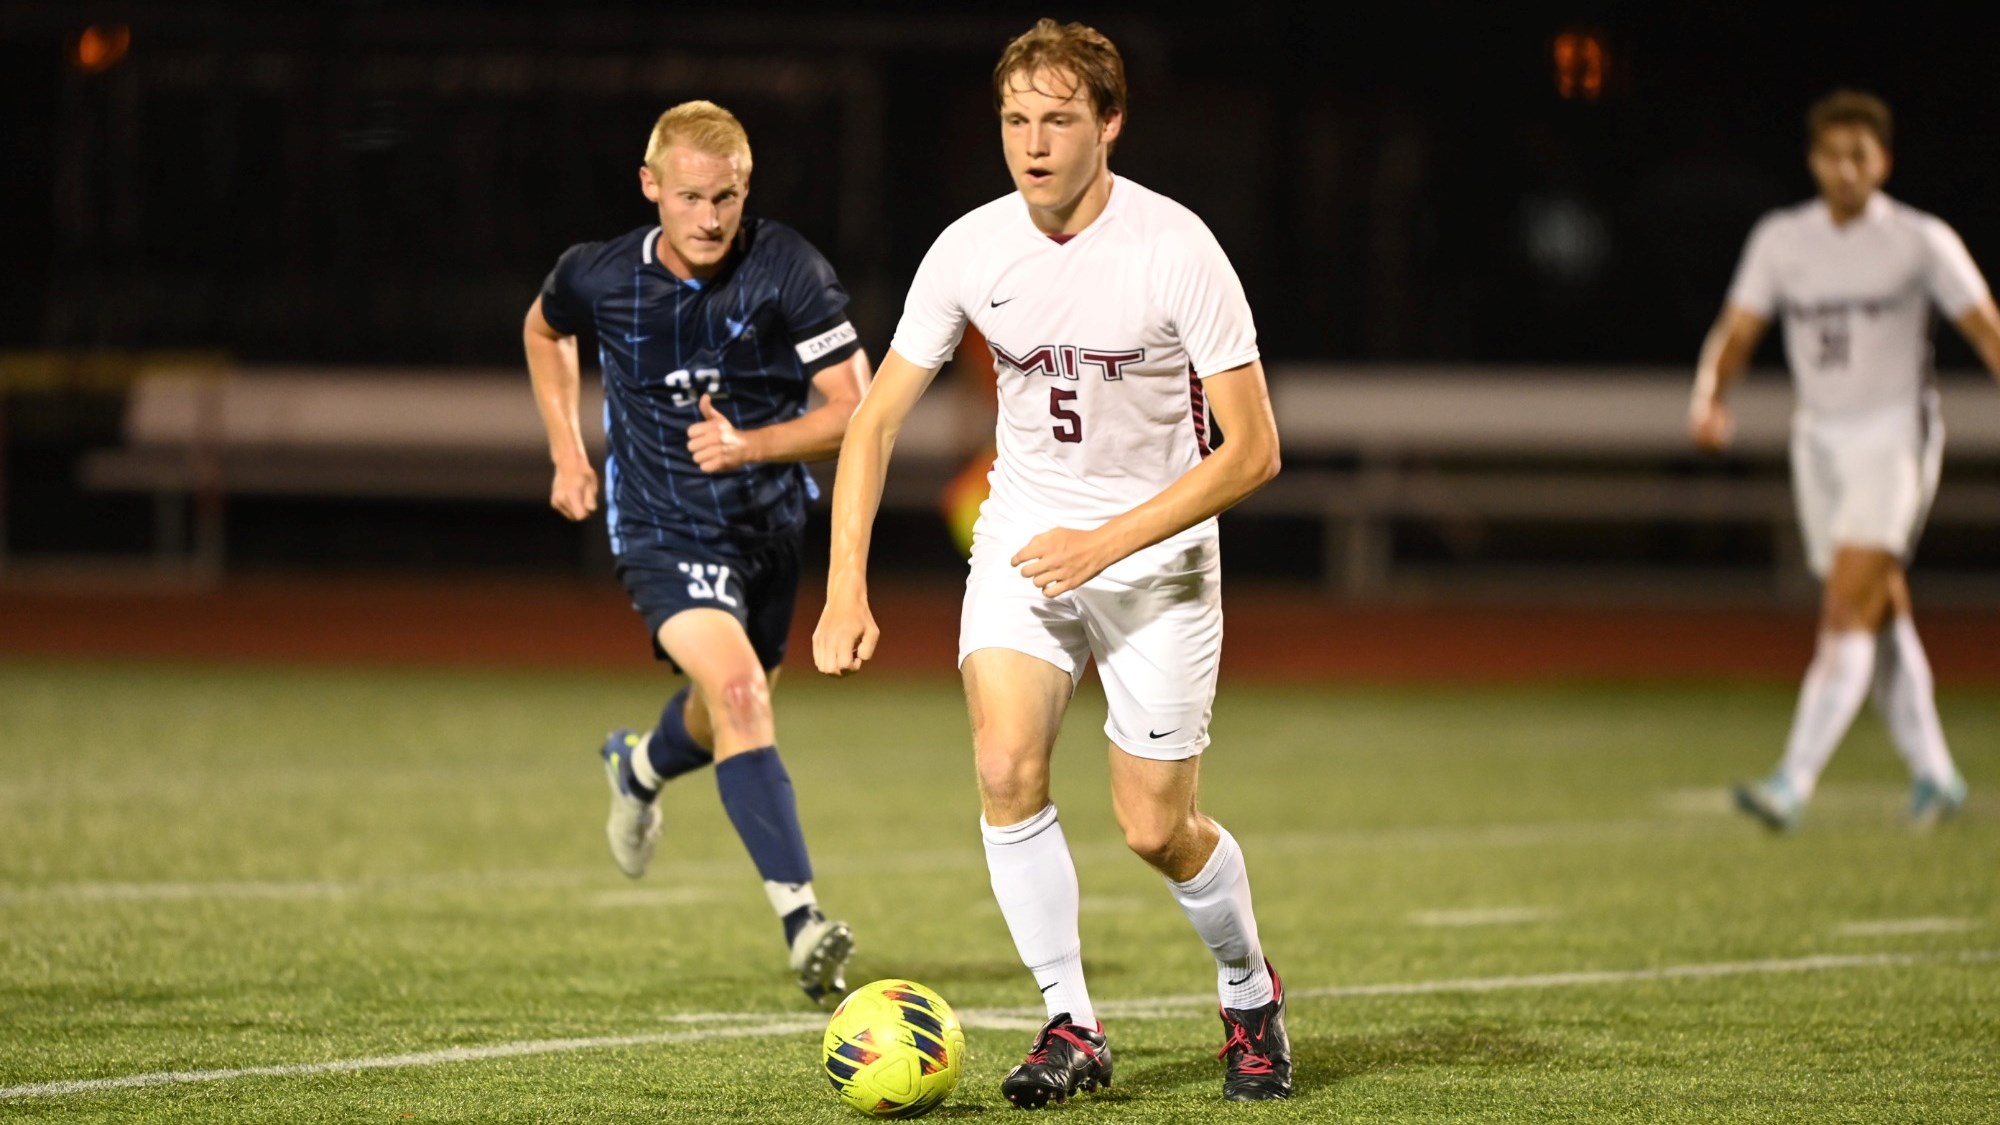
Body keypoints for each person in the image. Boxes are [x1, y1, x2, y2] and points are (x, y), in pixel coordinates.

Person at [814, 19, 1291, 1106]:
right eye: (1014, 120)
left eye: (1058, 120)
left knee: (1154, 827)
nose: (1032, 143)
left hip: (1158, 561)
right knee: (1003, 767)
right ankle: (1071, 1022)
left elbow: (1255, 451)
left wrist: (1108, 542)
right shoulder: (972, 247)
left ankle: (1247, 990)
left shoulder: (1175, 248)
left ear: (1110, 124)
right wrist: (844, 586)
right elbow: (874, 420)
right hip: (1026, 541)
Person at [524, 100, 871, 1004]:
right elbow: (545, 328)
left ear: (746, 191)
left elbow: (857, 412)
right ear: (650, 188)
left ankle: (638, 766)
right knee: (742, 692)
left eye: (726, 198)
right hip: (661, 527)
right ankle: (803, 922)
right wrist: (567, 450)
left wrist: (750, 446)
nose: (710, 219)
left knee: (726, 714)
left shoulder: (788, 268)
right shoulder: (601, 274)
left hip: (768, 527)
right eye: (689, 197)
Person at [1690, 89, 2000, 831]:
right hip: (1818, 439)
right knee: (1877, 606)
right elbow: (1737, 327)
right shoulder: (1782, 239)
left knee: (1843, 605)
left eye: (1859, 155)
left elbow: (1985, 326)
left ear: (1883, 161)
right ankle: (1936, 774)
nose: (1846, 170)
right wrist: (1710, 395)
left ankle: (1791, 781)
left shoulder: (1920, 239)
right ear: (1813, 161)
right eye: (1832, 155)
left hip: (1894, 436)